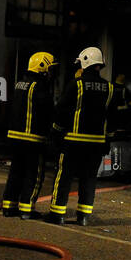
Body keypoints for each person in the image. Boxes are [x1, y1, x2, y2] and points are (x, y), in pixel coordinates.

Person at [46, 47, 111, 226]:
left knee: (64, 176)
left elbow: (61, 110)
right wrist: (108, 139)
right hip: (97, 143)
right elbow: (112, 118)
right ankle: (83, 217)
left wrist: (56, 132)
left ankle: (57, 214)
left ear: (85, 61)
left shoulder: (77, 84)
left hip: (74, 141)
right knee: (89, 178)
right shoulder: (109, 88)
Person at [2, 51, 56, 218]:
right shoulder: (40, 87)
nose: (51, 73)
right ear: (42, 67)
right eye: (50, 68)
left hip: (16, 137)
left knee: (16, 172)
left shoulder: (20, 84)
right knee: (34, 174)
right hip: (33, 138)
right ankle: (26, 209)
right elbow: (47, 113)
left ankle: (9, 207)